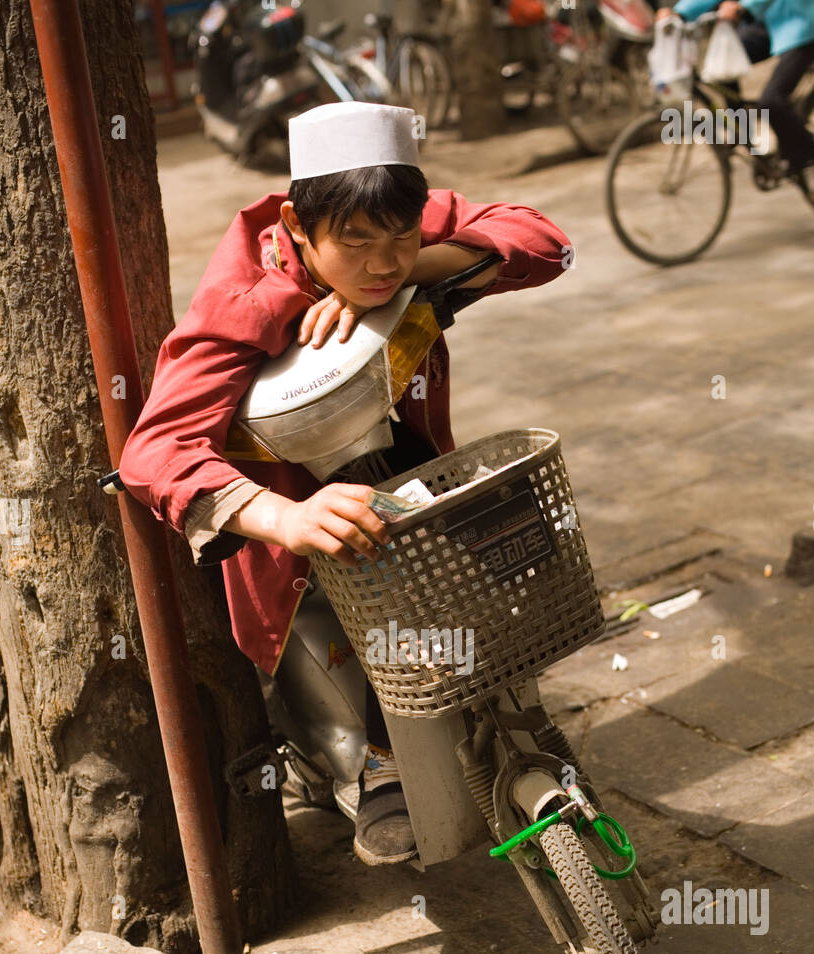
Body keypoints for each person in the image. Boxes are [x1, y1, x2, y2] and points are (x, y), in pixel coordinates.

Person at [119, 102, 571, 866]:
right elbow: (155, 449)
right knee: (352, 616)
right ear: (298, 225)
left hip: (405, 476)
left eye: (399, 233)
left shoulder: (400, 228)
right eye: (354, 243)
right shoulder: (247, 302)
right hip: (300, 539)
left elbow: (546, 241)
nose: (381, 260)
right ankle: (367, 758)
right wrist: (285, 518)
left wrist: (420, 268)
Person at [655, 0, 814, 203]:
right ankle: (741, 131)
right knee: (722, 68)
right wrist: (680, 13)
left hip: (805, 22)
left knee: (772, 102)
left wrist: (745, 7)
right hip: (769, 21)